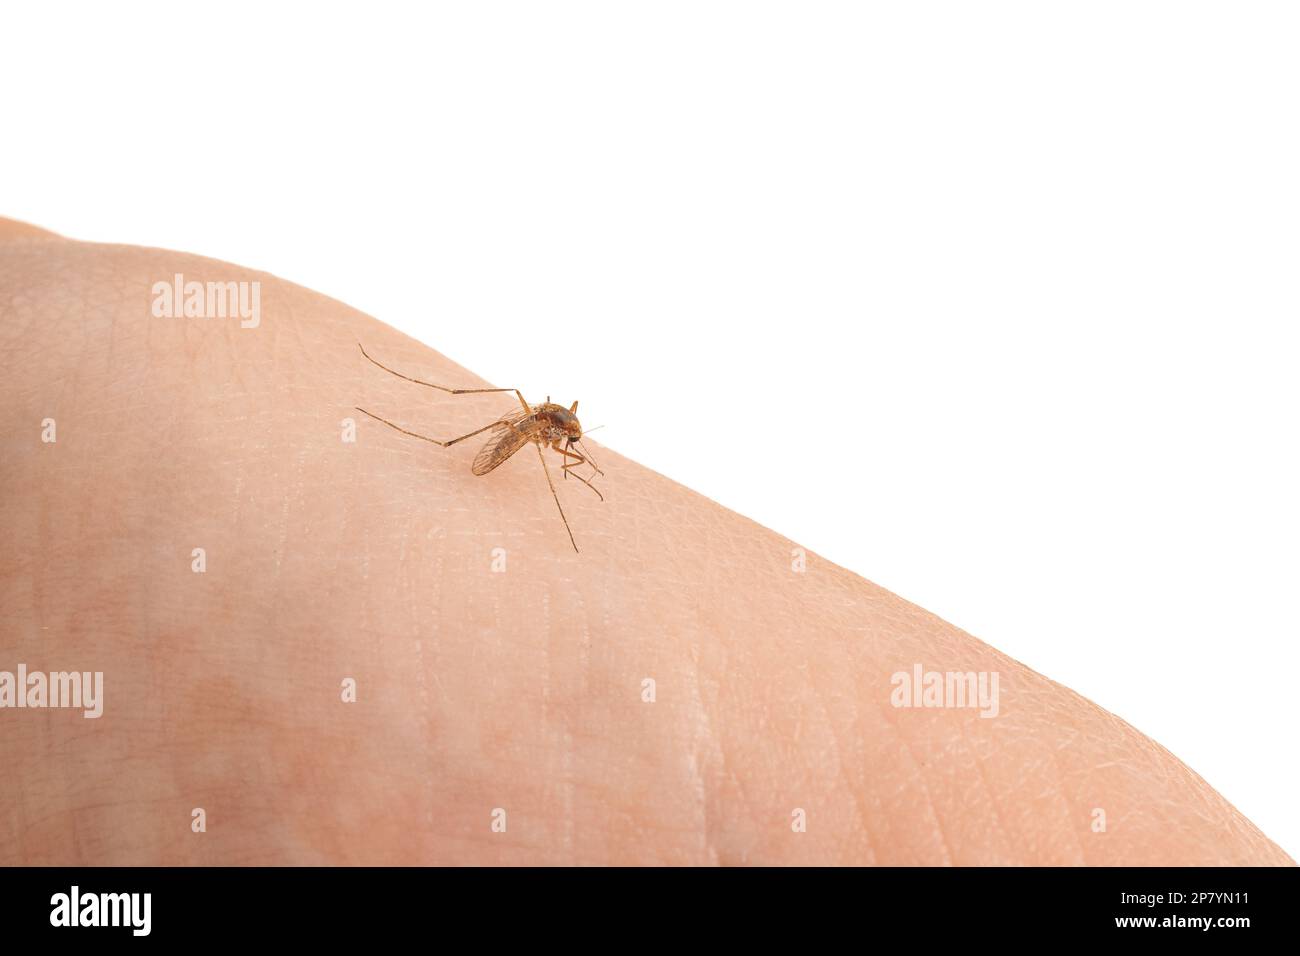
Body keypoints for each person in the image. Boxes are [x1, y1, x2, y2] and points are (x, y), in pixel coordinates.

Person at [0, 217, 1290, 865]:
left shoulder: (555, 435)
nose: (568, 442)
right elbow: (545, 444)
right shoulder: (539, 431)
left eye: (566, 442)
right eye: (569, 440)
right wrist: (528, 464)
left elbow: (563, 449)